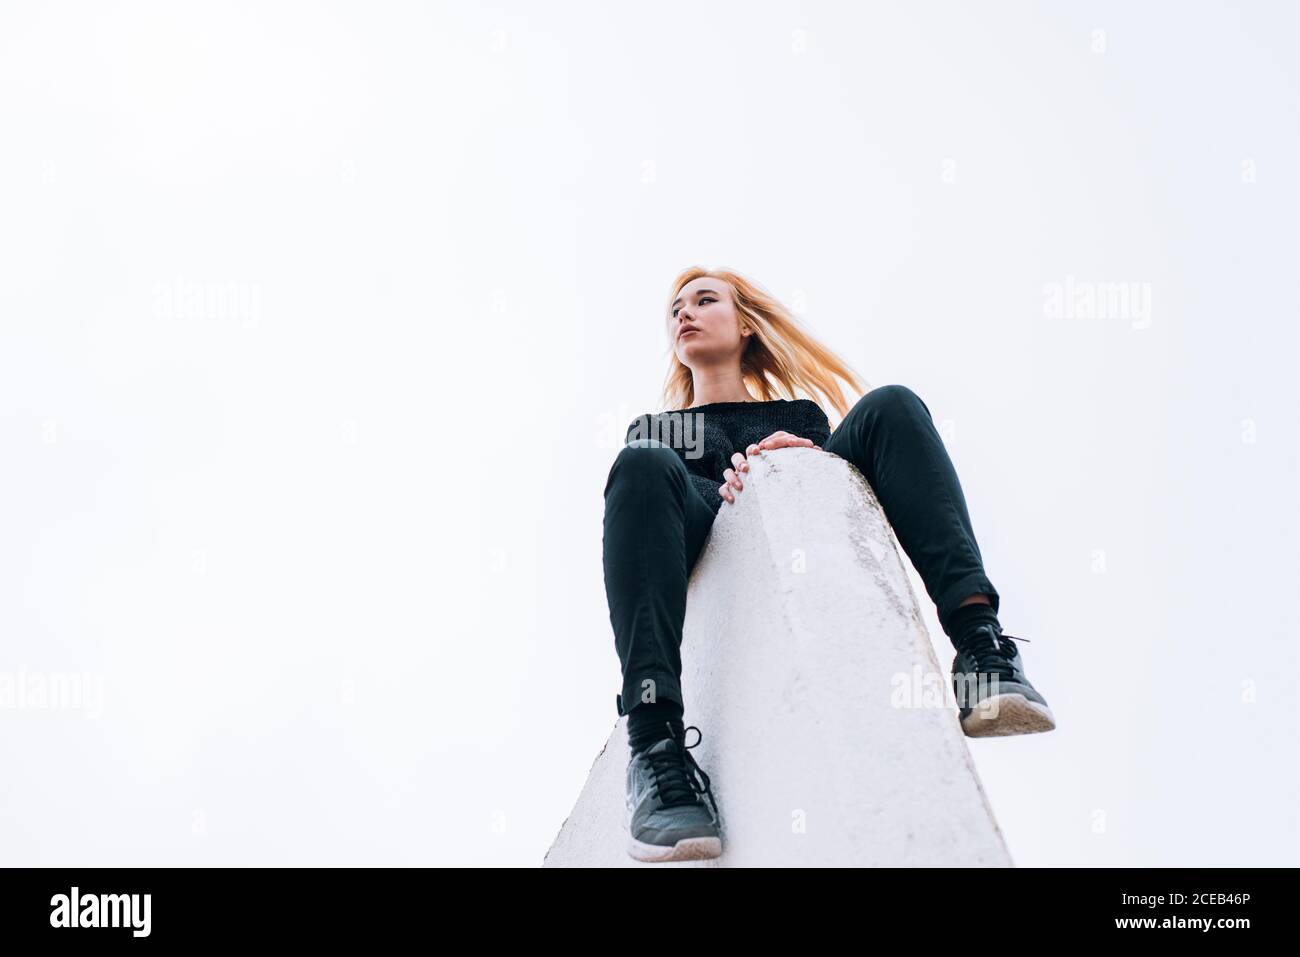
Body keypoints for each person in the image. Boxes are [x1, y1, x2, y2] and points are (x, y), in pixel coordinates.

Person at [603, 267, 1056, 863]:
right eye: (674, 308)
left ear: (744, 325)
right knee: (640, 462)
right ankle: (655, 748)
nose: (682, 313)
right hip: (691, 520)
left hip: (798, 472)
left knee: (892, 406)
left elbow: (820, 484)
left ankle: (980, 646)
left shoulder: (800, 413)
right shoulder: (660, 432)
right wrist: (732, 483)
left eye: (704, 300)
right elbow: (684, 511)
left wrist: (805, 458)